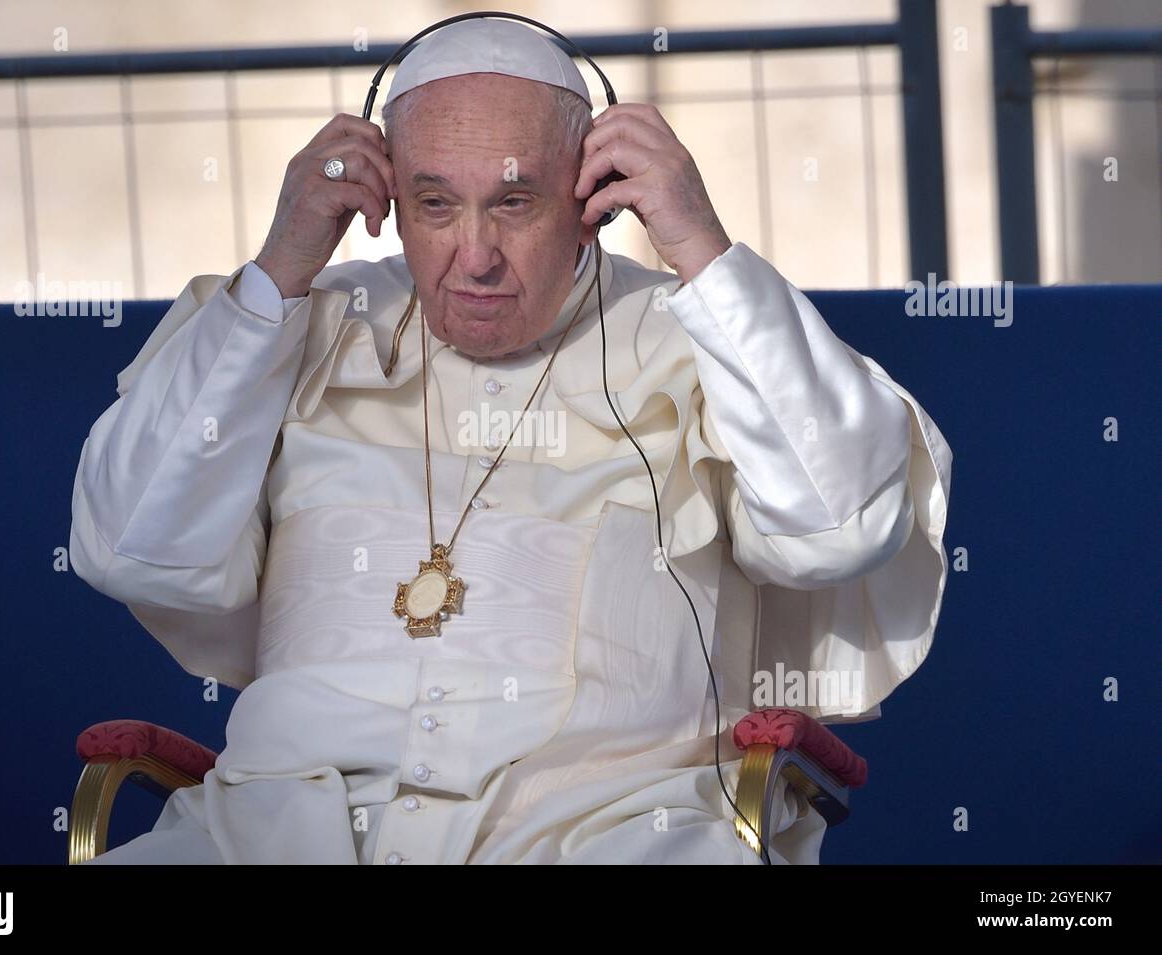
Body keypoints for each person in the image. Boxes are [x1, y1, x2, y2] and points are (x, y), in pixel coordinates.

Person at [69, 18, 952, 864]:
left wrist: (700, 246)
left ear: (591, 199)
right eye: (436, 203)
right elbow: (129, 550)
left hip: (607, 831)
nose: (476, 253)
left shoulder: (691, 336)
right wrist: (279, 270)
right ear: (391, 200)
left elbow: (843, 524)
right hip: (269, 831)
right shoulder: (300, 326)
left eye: (516, 201)